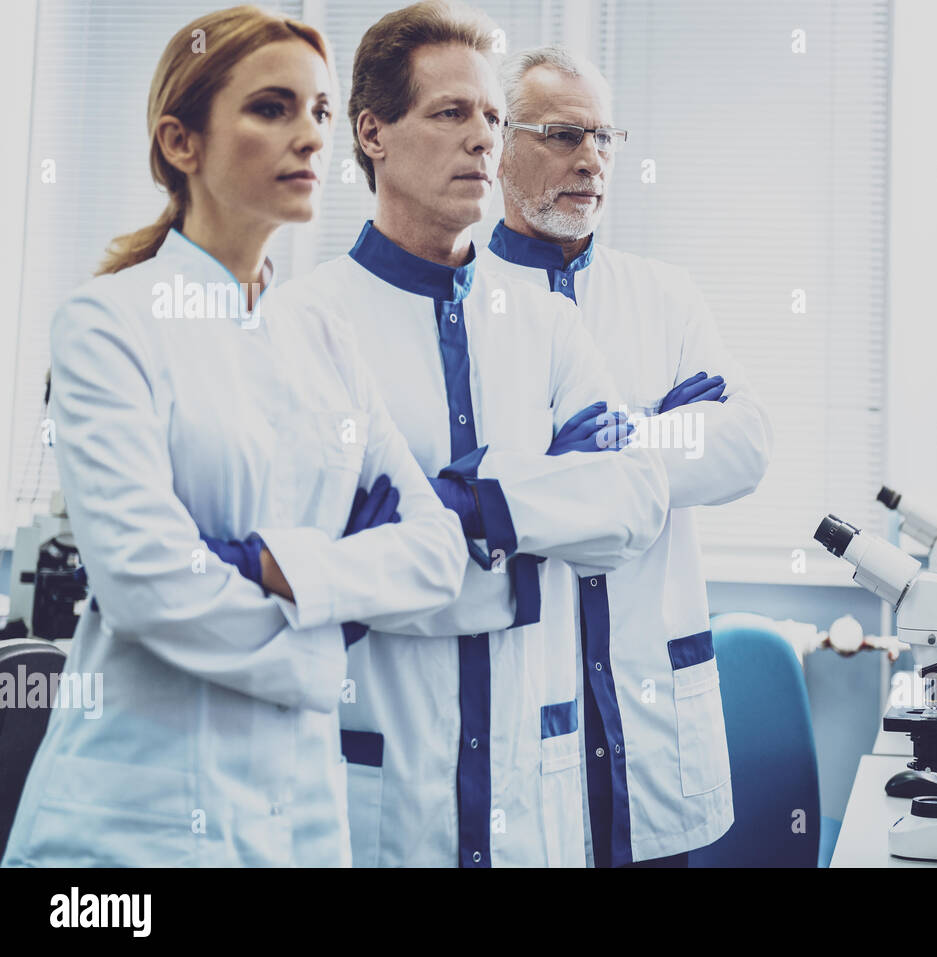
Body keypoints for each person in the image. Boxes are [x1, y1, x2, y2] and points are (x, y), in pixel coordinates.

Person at [1, 5, 469, 868]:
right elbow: (147, 584)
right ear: (182, 143)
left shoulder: (325, 340)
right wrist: (334, 615)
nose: (309, 136)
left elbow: (440, 553)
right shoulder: (108, 324)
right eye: (272, 108)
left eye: (322, 113)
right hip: (124, 835)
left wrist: (259, 564)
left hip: (297, 825)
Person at [274, 1, 669, 867]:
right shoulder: (304, 322)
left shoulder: (548, 326)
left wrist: (473, 503)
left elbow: (635, 505)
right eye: (451, 113)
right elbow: (311, 560)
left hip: (534, 796)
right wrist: (549, 494)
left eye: (493, 117)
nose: (484, 140)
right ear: (372, 132)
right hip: (378, 789)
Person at [485, 46, 774, 867]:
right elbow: (486, 485)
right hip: (530, 710)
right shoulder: (469, 301)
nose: (591, 159)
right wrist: (667, 425)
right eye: (564, 133)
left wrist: (605, 440)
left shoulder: (665, 294)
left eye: (606, 136)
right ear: (501, 145)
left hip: (652, 718)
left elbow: (745, 445)